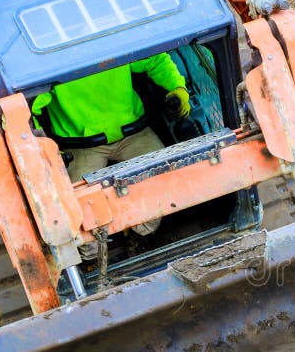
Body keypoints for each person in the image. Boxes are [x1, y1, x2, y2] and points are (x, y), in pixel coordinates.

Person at [31, 53, 190, 256]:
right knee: (73, 204)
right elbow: (26, 108)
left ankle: (141, 234)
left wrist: (177, 88)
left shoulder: (115, 41)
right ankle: (93, 255)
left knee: (162, 176)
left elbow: (155, 60)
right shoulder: (48, 61)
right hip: (81, 145)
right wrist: (43, 147)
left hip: (133, 133)